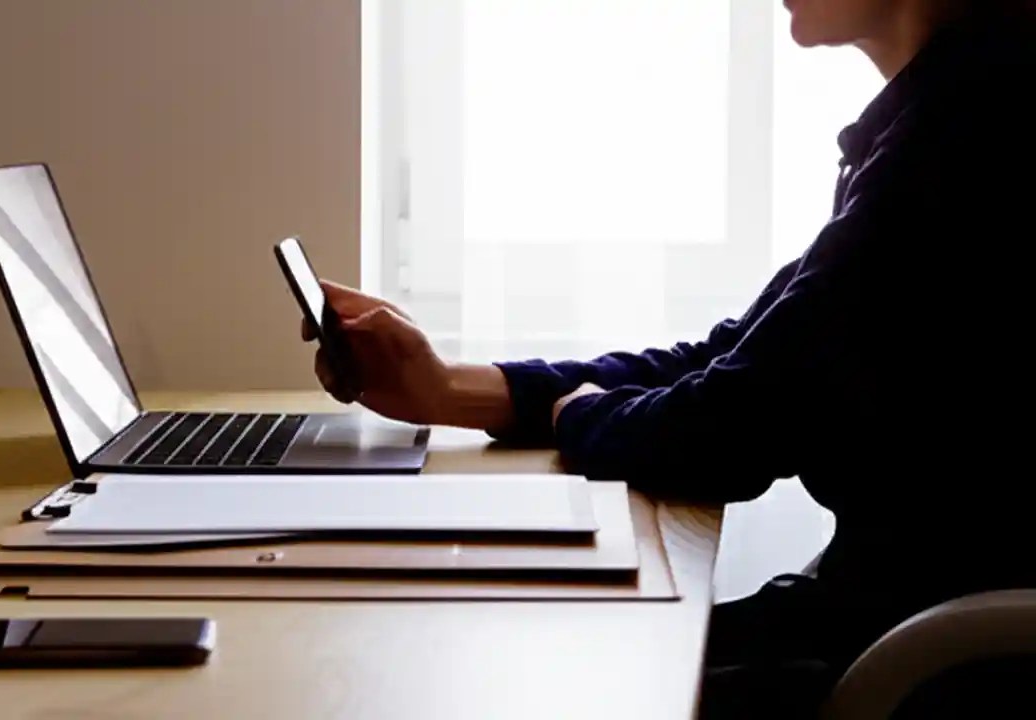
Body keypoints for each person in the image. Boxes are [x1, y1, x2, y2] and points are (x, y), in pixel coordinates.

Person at [304, 0, 1036, 717]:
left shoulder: (970, 138)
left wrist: (579, 414)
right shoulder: (938, 118)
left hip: (941, 666)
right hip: (900, 629)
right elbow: (741, 355)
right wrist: (453, 389)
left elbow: (731, 430)